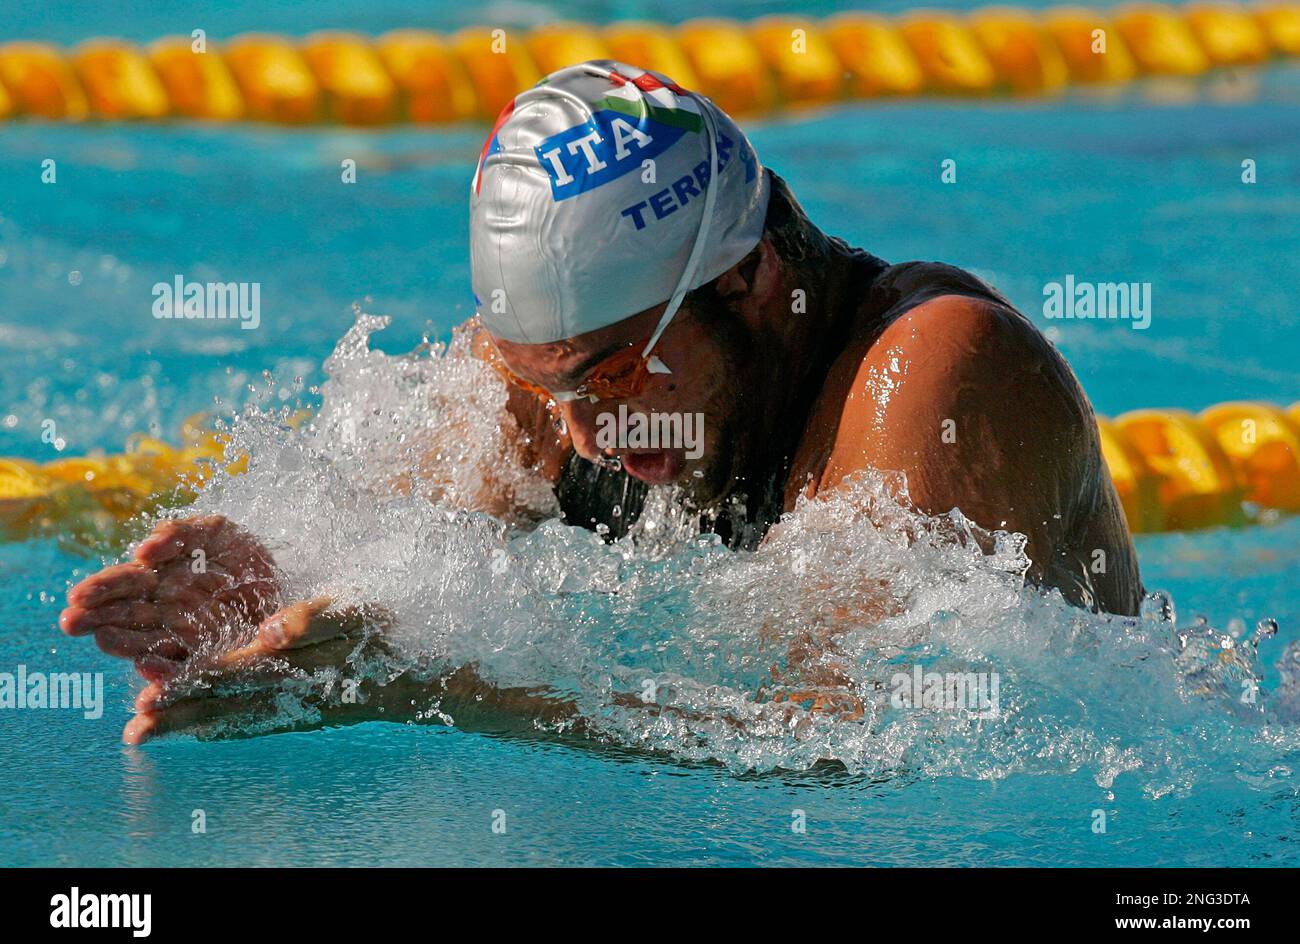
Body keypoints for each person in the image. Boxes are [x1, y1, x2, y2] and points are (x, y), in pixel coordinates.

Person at [60, 61, 1142, 744]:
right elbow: (402, 555)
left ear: (745, 282)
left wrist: (453, 691)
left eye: (618, 373)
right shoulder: (565, 386)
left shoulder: (936, 375)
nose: (583, 430)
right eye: (545, 380)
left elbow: (857, 745)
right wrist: (278, 588)